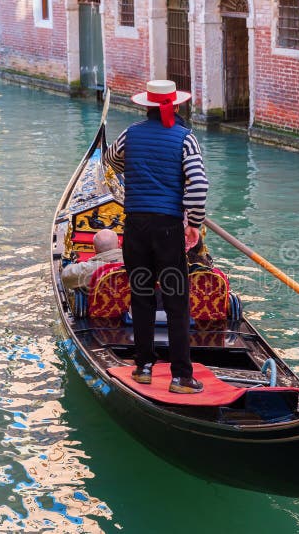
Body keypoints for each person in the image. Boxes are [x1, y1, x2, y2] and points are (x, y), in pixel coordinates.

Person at [104, 79, 209, 394]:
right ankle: (181, 377)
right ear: (175, 105)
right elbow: (199, 185)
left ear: (146, 106)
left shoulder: (130, 134)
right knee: (177, 302)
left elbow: (111, 160)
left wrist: (137, 168)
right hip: (167, 229)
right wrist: (194, 223)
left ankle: (143, 367)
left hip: (135, 229)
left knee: (142, 297)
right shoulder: (185, 139)